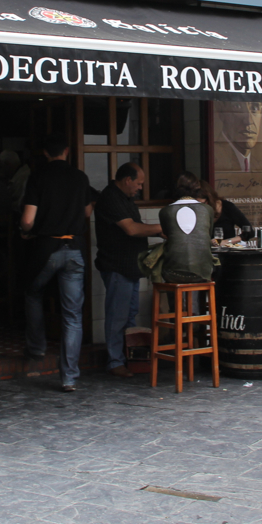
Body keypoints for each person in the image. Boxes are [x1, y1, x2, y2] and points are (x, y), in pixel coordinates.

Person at [21, 134, 96, 392]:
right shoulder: (80, 178)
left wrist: (25, 230)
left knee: (33, 293)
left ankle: (37, 347)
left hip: (47, 248)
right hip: (75, 249)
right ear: (67, 150)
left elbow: (28, 220)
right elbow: (87, 212)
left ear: (45, 152)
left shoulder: (38, 177)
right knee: (73, 314)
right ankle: (69, 377)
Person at [95, 161, 162, 378]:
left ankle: (130, 357)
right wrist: (163, 228)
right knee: (117, 316)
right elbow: (132, 229)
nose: (140, 188)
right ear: (127, 180)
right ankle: (115, 361)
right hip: (117, 266)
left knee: (130, 315)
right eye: (139, 183)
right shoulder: (110, 198)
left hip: (131, 266)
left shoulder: (126, 199)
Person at [158, 172, 216, 283]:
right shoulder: (207, 210)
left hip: (172, 272)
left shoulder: (165, 211)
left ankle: (176, 301)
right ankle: (202, 300)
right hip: (203, 272)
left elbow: (167, 234)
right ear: (197, 188)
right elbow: (209, 233)